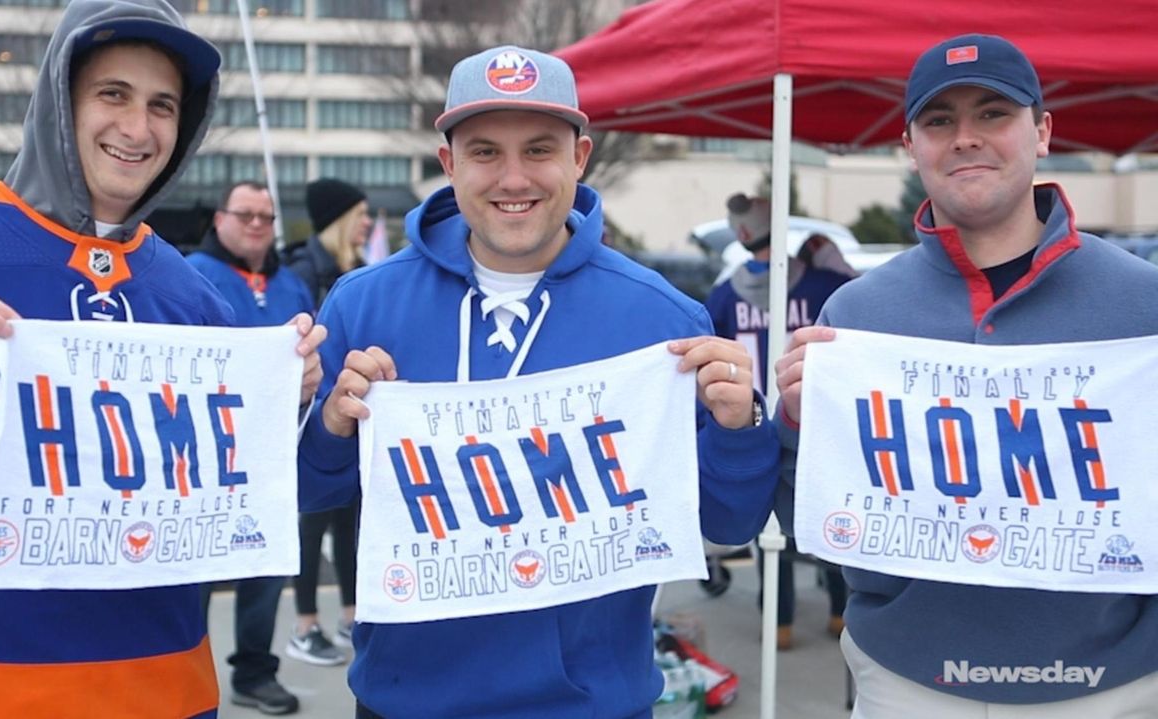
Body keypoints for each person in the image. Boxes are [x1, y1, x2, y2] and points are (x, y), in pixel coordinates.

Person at [297, 45, 779, 719]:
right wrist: (329, 428)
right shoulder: (363, 304)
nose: (514, 177)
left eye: (540, 149)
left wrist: (740, 428)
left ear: (579, 158)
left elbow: (728, 520)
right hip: (405, 700)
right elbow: (309, 493)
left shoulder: (663, 318)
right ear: (450, 164)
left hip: (593, 704)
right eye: (486, 151)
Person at [0, 2, 326, 716]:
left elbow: (235, 500)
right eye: (111, 94)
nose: (137, 128)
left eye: (162, 105)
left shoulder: (194, 295)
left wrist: (288, 405)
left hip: (163, 688)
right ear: (59, 99)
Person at [775, 34, 1158, 715]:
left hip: (1115, 687)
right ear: (910, 144)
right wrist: (794, 423)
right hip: (907, 682)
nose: (965, 138)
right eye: (939, 120)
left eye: (993, 114)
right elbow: (810, 516)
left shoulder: (1143, 303)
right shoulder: (854, 314)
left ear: (1041, 131)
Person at [189, 180, 314, 714]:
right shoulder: (192, 273)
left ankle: (255, 671)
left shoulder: (292, 286)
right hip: (199, 454)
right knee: (189, 576)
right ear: (220, 218)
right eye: (246, 214)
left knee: (265, 570)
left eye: (266, 215)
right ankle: (182, 667)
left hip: (271, 452)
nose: (258, 224)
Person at [705, 196, 851, 651]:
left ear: (742, 234)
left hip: (749, 419)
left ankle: (780, 622)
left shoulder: (725, 293)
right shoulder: (827, 284)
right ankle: (841, 615)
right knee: (832, 514)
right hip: (812, 417)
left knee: (767, 520)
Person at [282, 178, 368, 668]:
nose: (367, 223)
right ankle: (305, 622)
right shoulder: (304, 269)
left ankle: (349, 614)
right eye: (359, 213)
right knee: (312, 524)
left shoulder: (354, 268)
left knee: (348, 519)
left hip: (352, 410)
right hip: (315, 409)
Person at [287, 178, 373, 302]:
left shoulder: (360, 268)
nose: (368, 222)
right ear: (340, 222)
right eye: (360, 214)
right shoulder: (303, 273)